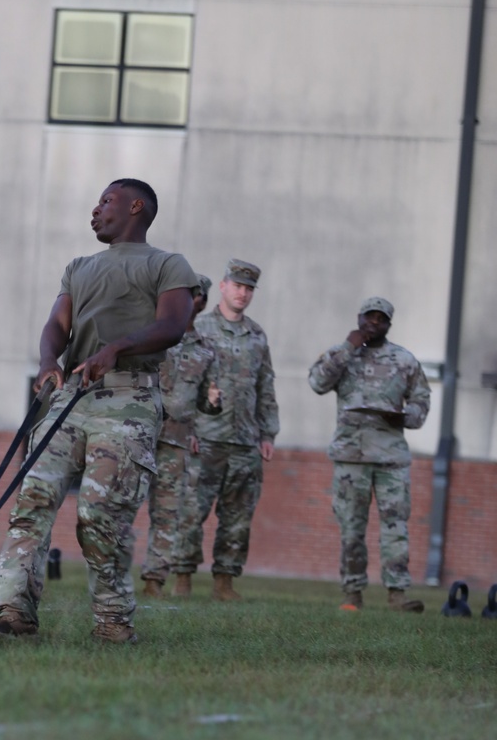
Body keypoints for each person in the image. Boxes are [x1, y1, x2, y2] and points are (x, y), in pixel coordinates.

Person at [0, 179, 197, 644]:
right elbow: (57, 324)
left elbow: (173, 325)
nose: (96, 209)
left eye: (107, 201)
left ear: (136, 206)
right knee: (31, 502)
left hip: (129, 401)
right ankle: (14, 614)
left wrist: (117, 349)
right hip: (70, 399)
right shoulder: (79, 266)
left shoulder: (167, 264)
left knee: (101, 513)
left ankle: (112, 621)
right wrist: (48, 362)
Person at [308, 295, 430, 612]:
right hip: (351, 457)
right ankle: (352, 595)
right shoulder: (341, 354)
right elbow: (318, 383)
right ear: (359, 318)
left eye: (381, 319)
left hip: (391, 458)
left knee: (395, 527)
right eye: (369, 317)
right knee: (351, 528)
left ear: (389, 324)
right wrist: (348, 347)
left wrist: (404, 418)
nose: (373, 323)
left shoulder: (404, 360)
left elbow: (421, 403)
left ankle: (397, 595)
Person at [171, 258, 279, 601]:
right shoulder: (198, 329)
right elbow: (184, 384)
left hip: (245, 440)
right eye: (237, 286)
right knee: (191, 511)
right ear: (223, 286)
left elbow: (266, 385)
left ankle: (224, 582)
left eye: (249, 289)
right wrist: (186, 429)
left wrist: (267, 433)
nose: (243, 294)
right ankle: (183, 578)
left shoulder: (257, 335)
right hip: (204, 437)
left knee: (238, 517)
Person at [141, 275, 221, 597]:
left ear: (202, 304)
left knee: (167, 513)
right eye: (189, 295)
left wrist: (214, 403)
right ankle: (110, 576)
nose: (194, 302)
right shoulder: (152, 333)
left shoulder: (206, 351)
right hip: (140, 432)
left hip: (176, 440)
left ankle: (153, 582)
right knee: (121, 506)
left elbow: (206, 402)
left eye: (200, 297)